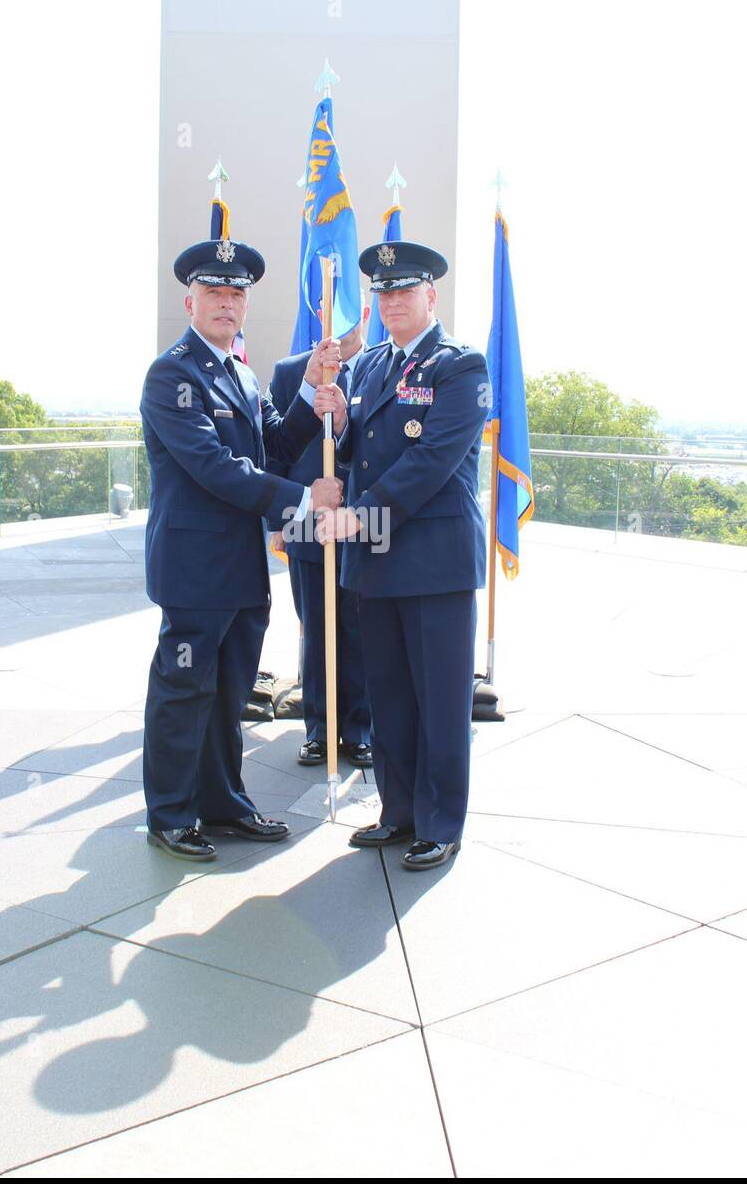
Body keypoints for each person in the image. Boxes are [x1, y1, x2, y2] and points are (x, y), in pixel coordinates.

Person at [140, 237, 347, 861]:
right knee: (184, 690)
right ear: (191, 300)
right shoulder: (173, 373)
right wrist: (308, 501)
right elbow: (214, 466)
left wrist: (312, 391)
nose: (227, 303)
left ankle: (223, 803)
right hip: (193, 569)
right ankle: (171, 815)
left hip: (240, 566)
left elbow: (272, 445)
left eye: (237, 294)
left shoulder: (242, 373)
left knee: (229, 692)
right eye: (215, 291)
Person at [315, 240, 491, 870]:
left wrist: (355, 517)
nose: (391, 301)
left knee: (439, 699)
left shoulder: (460, 365)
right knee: (390, 695)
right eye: (382, 293)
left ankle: (441, 822)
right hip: (380, 558)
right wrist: (334, 419)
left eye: (402, 291)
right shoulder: (367, 368)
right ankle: (399, 811)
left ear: (430, 296)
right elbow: (358, 450)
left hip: (434, 560)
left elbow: (429, 465)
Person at [266, 294, 377, 768]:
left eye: (351, 314)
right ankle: (318, 729)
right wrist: (277, 523)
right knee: (316, 628)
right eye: (334, 312)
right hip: (306, 519)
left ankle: (359, 729)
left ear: (365, 315)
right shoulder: (291, 370)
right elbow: (276, 451)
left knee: (360, 628)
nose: (341, 324)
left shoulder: (383, 369)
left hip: (367, 521)